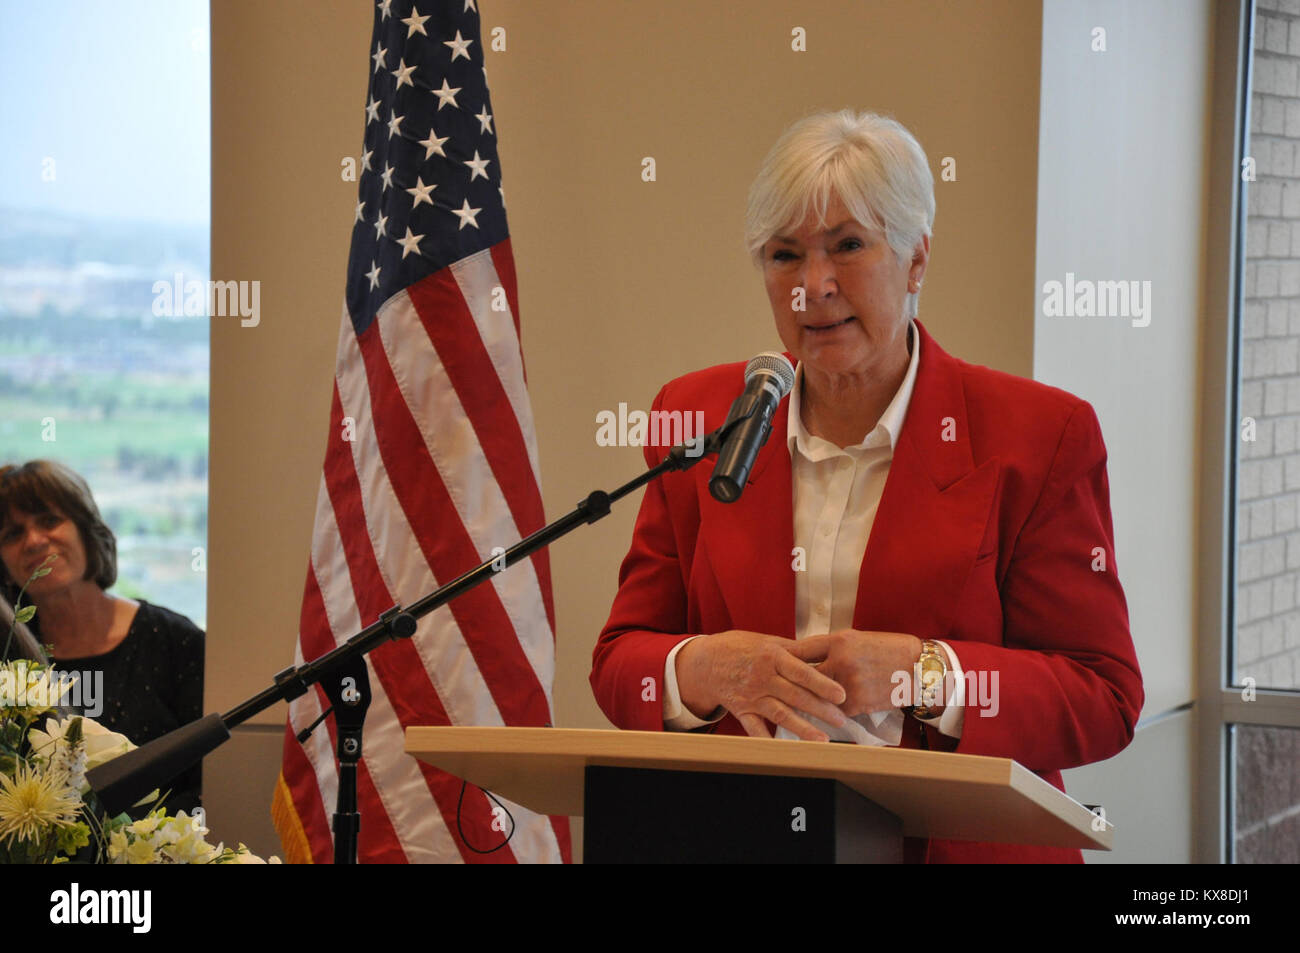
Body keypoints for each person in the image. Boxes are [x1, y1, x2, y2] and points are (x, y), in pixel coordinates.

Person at [590, 109, 1144, 863]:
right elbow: (621, 659)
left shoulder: (1039, 436)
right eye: (784, 256)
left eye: (848, 246)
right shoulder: (701, 417)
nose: (813, 286)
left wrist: (925, 671)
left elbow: (1104, 697)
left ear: (916, 259)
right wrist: (706, 669)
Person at [0, 460, 204, 814]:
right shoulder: (7, 657)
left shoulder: (175, 642)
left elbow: (206, 782)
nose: (33, 540)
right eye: (13, 534)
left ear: (86, 529)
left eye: (49, 520)